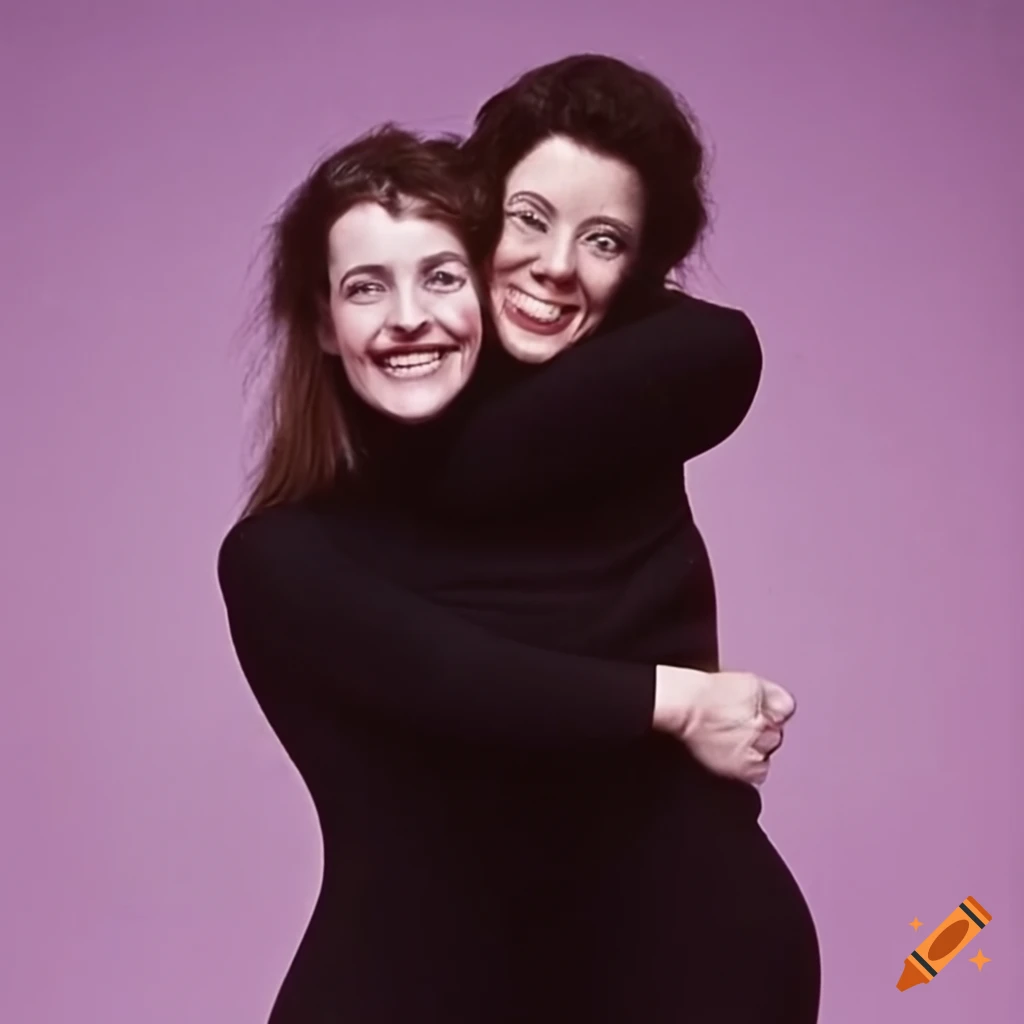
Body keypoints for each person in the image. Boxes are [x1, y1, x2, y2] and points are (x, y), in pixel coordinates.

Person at [218, 59, 817, 1024]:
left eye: (605, 240)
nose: (556, 265)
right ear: (321, 320)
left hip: (681, 956)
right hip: (428, 980)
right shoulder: (286, 557)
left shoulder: (622, 414)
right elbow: (453, 677)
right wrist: (679, 701)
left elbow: (720, 345)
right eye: (528, 218)